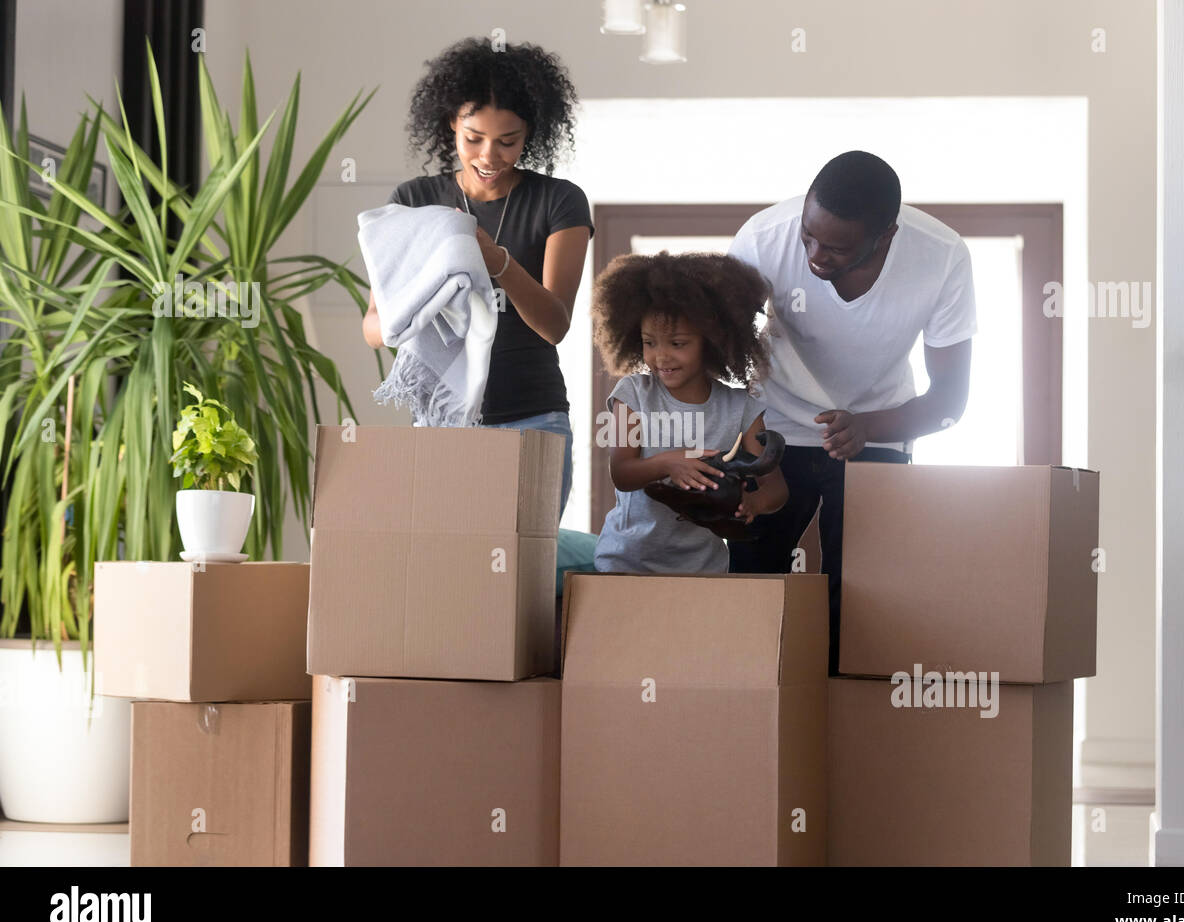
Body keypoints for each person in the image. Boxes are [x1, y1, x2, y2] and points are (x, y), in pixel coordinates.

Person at [726, 151, 976, 671]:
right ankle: (747, 709)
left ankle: (847, 725)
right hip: (774, 430)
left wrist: (867, 427)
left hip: (881, 429)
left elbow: (950, 400)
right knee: (750, 580)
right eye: (809, 237)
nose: (816, 255)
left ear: (886, 235)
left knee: (864, 597)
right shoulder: (763, 237)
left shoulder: (942, 255)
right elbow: (725, 355)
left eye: (837, 248)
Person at [361, 37, 593, 517]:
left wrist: (499, 263)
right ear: (451, 124)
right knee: (447, 571)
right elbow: (374, 330)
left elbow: (554, 324)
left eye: (508, 141)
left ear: (531, 133)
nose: (489, 156)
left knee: (527, 568)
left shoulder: (560, 201)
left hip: (534, 417)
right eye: (474, 138)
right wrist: (423, 296)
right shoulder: (414, 199)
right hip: (442, 425)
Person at [591, 252, 788, 574]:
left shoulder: (742, 409)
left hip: (702, 570)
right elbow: (622, 474)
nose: (661, 356)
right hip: (626, 563)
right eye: (649, 342)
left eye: (678, 343)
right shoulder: (632, 394)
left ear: (712, 342)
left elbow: (777, 489)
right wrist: (669, 463)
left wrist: (753, 504)